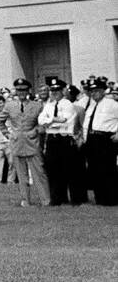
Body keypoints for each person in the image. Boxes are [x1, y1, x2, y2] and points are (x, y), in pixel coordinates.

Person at [3, 77, 48, 207]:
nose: (21, 93)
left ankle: (45, 200)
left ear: (28, 91)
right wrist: (8, 133)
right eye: (18, 90)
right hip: (17, 142)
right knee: (22, 175)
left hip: (32, 142)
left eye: (23, 90)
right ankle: (26, 200)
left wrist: (37, 131)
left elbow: (43, 123)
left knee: (39, 173)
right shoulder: (9, 105)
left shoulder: (37, 105)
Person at [38, 77, 81, 205]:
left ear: (63, 90)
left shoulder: (67, 104)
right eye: (52, 90)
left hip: (65, 139)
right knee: (53, 169)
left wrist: (49, 121)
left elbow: (64, 120)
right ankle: (57, 198)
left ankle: (75, 199)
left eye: (57, 90)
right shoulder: (49, 105)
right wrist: (53, 120)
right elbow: (40, 120)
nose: (54, 93)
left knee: (69, 170)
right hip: (52, 139)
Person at [79, 75, 118, 205]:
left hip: (105, 139)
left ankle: (111, 198)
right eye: (91, 91)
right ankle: (100, 198)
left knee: (108, 169)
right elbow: (87, 124)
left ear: (103, 91)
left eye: (96, 91)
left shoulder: (112, 104)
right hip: (92, 139)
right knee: (95, 170)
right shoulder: (91, 105)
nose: (93, 93)